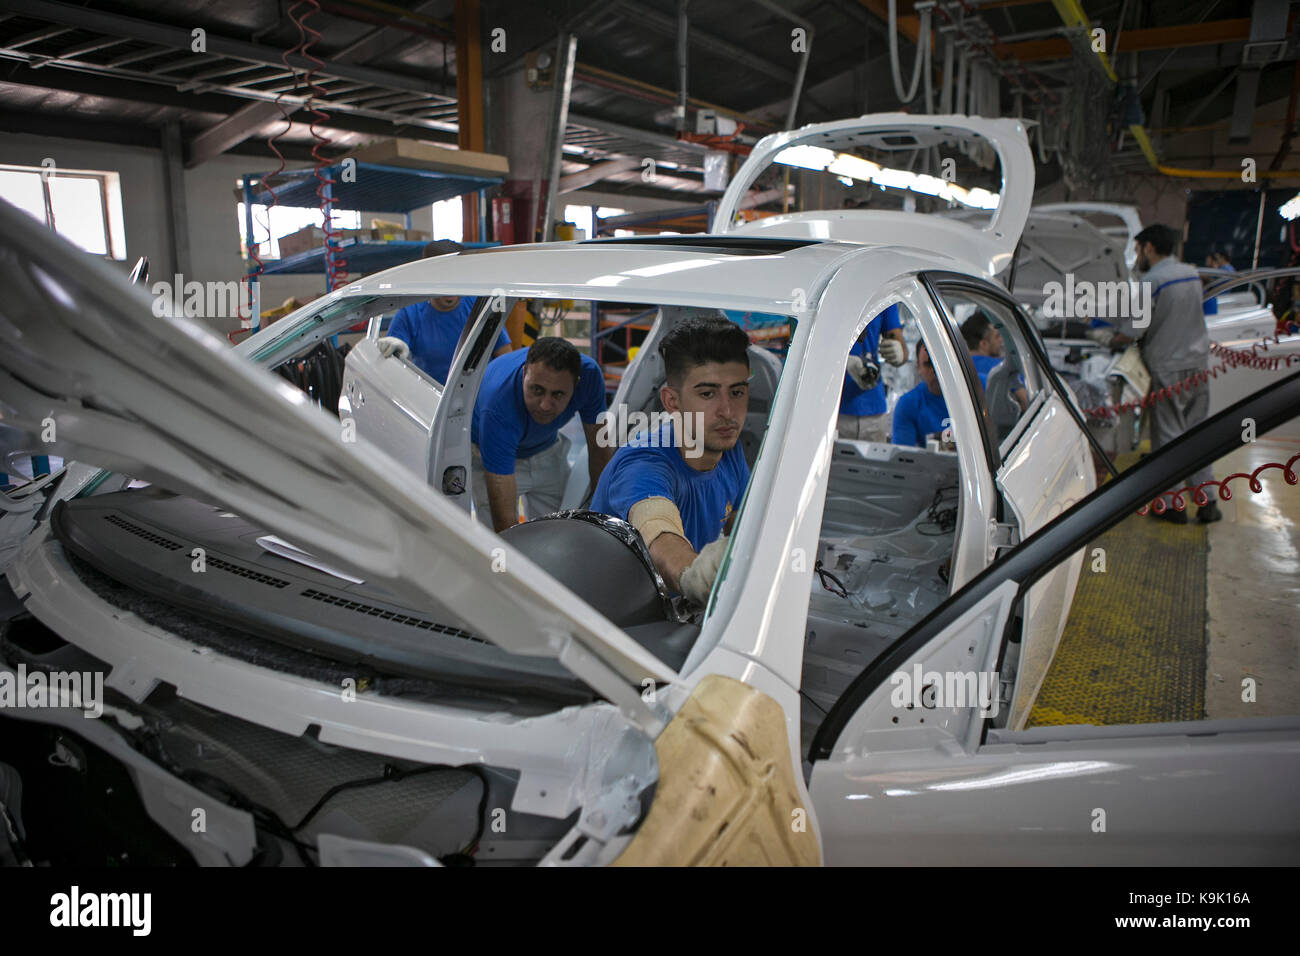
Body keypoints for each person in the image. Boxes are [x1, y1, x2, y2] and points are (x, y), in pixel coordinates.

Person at [591, 315, 751, 606]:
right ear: (672, 402)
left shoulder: (728, 449)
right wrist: (696, 575)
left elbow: (737, 522)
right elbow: (657, 529)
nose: (727, 411)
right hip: (619, 622)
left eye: (737, 392)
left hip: (678, 611)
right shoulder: (643, 463)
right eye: (707, 393)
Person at [1097, 223, 1220, 523]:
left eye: (1138, 249)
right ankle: (1208, 503)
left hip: (1169, 367)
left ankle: (1172, 506)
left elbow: (1133, 329)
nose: (1138, 255)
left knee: (1168, 437)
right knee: (1195, 433)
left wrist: (1107, 337)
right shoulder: (1191, 273)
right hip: (1199, 364)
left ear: (1149, 247)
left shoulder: (1152, 281)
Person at [471, 337, 613, 531]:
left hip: (545, 446)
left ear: (576, 383)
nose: (545, 405)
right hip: (489, 453)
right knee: (497, 542)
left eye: (558, 395)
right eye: (537, 390)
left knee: (561, 531)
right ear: (524, 374)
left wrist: (604, 518)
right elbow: (504, 523)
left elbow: (599, 445)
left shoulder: (589, 376)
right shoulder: (498, 404)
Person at [376, 241, 511, 382]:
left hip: (479, 395)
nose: (451, 286)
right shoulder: (410, 314)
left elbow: (504, 356)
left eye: (456, 277)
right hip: (432, 398)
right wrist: (394, 350)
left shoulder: (480, 307)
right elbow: (392, 356)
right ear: (427, 277)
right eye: (443, 278)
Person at [839, 304, 907, 441]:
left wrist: (899, 353)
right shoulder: (828, 290)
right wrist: (841, 361)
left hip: (874, 409)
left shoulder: (881, 292)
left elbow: (899, 343)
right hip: (832, 408)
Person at [960, 310, 1028, 408]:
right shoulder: (1004, 367)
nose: (1002, 340)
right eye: (997, 336)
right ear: (983, 344)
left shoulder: (958, 365)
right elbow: (1026, 400)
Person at [891, 341, 951, 448]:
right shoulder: (908, 404)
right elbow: (903, 458)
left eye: (940, 363)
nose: (935, 370)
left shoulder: (979, 391)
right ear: (918, 367)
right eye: (928, 364)